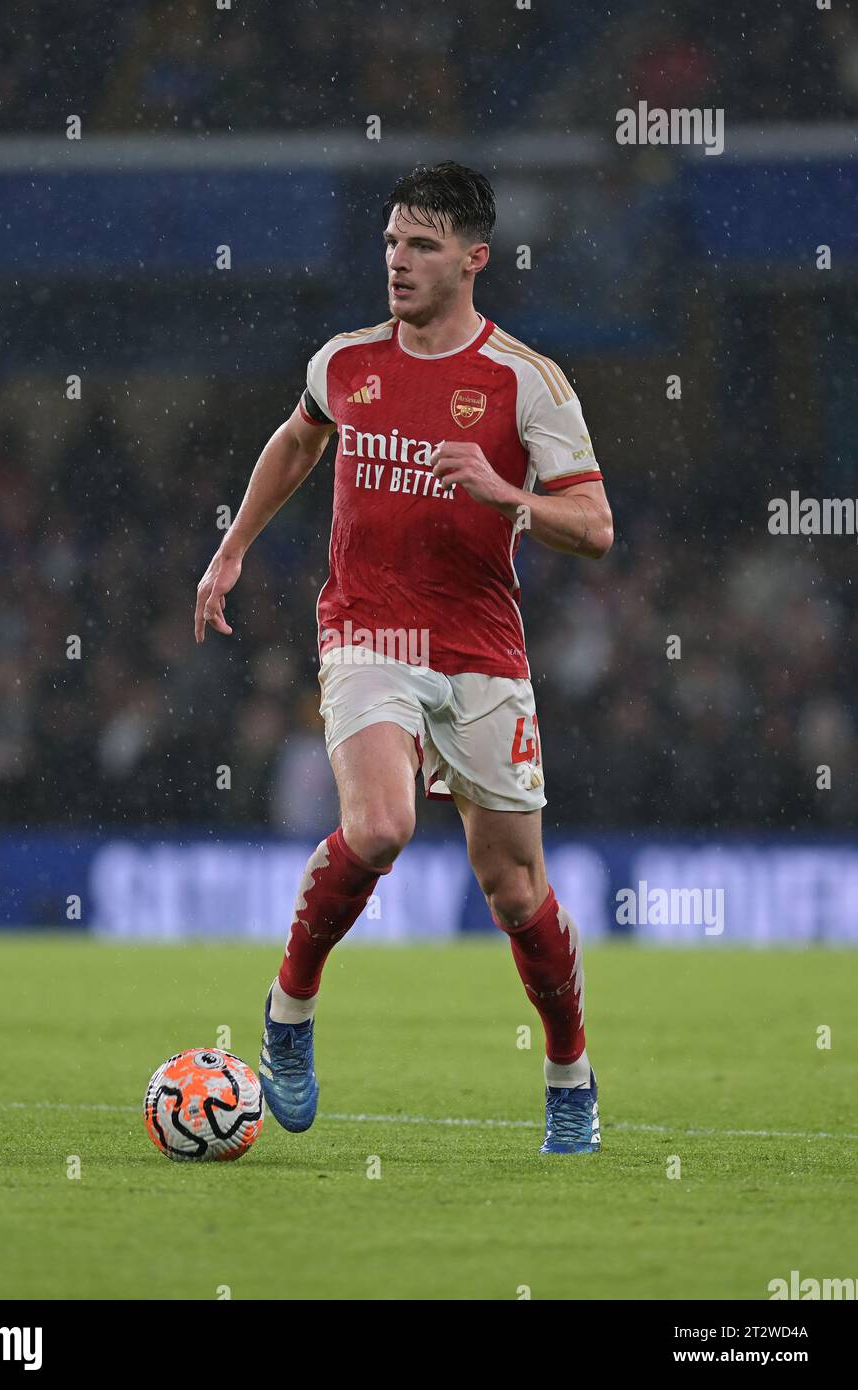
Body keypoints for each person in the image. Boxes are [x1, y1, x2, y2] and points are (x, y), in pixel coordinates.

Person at [195, 162, 614, 1154]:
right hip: (366, 631)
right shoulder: (344, 362)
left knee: (514, 890)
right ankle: (289, 1009)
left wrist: (506, 494)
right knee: (378, 826)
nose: (397, 261)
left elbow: (593, 527)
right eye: (389, 243)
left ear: (473, 258)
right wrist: (233, 546)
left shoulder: (526, 382)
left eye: (420, 246)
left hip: (479, 647)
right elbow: (296, 444)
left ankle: (569, 1075)